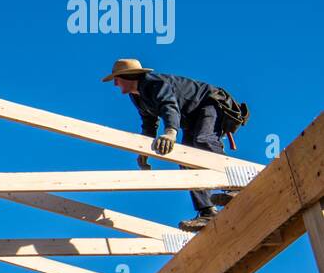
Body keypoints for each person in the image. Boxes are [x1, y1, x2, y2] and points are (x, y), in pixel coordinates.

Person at [102, 58, 241, 232]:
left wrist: (170, 132)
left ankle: (235, 185)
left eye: (117, 78)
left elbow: (169, 105)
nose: (115, 83)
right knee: (187, 160)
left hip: (209, 104)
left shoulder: (154, 84)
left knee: (203, 141)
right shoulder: (137, 96)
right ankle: (207, 212)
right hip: (191, 119)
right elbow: (148, 122)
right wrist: (143, 152)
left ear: (128, 76)